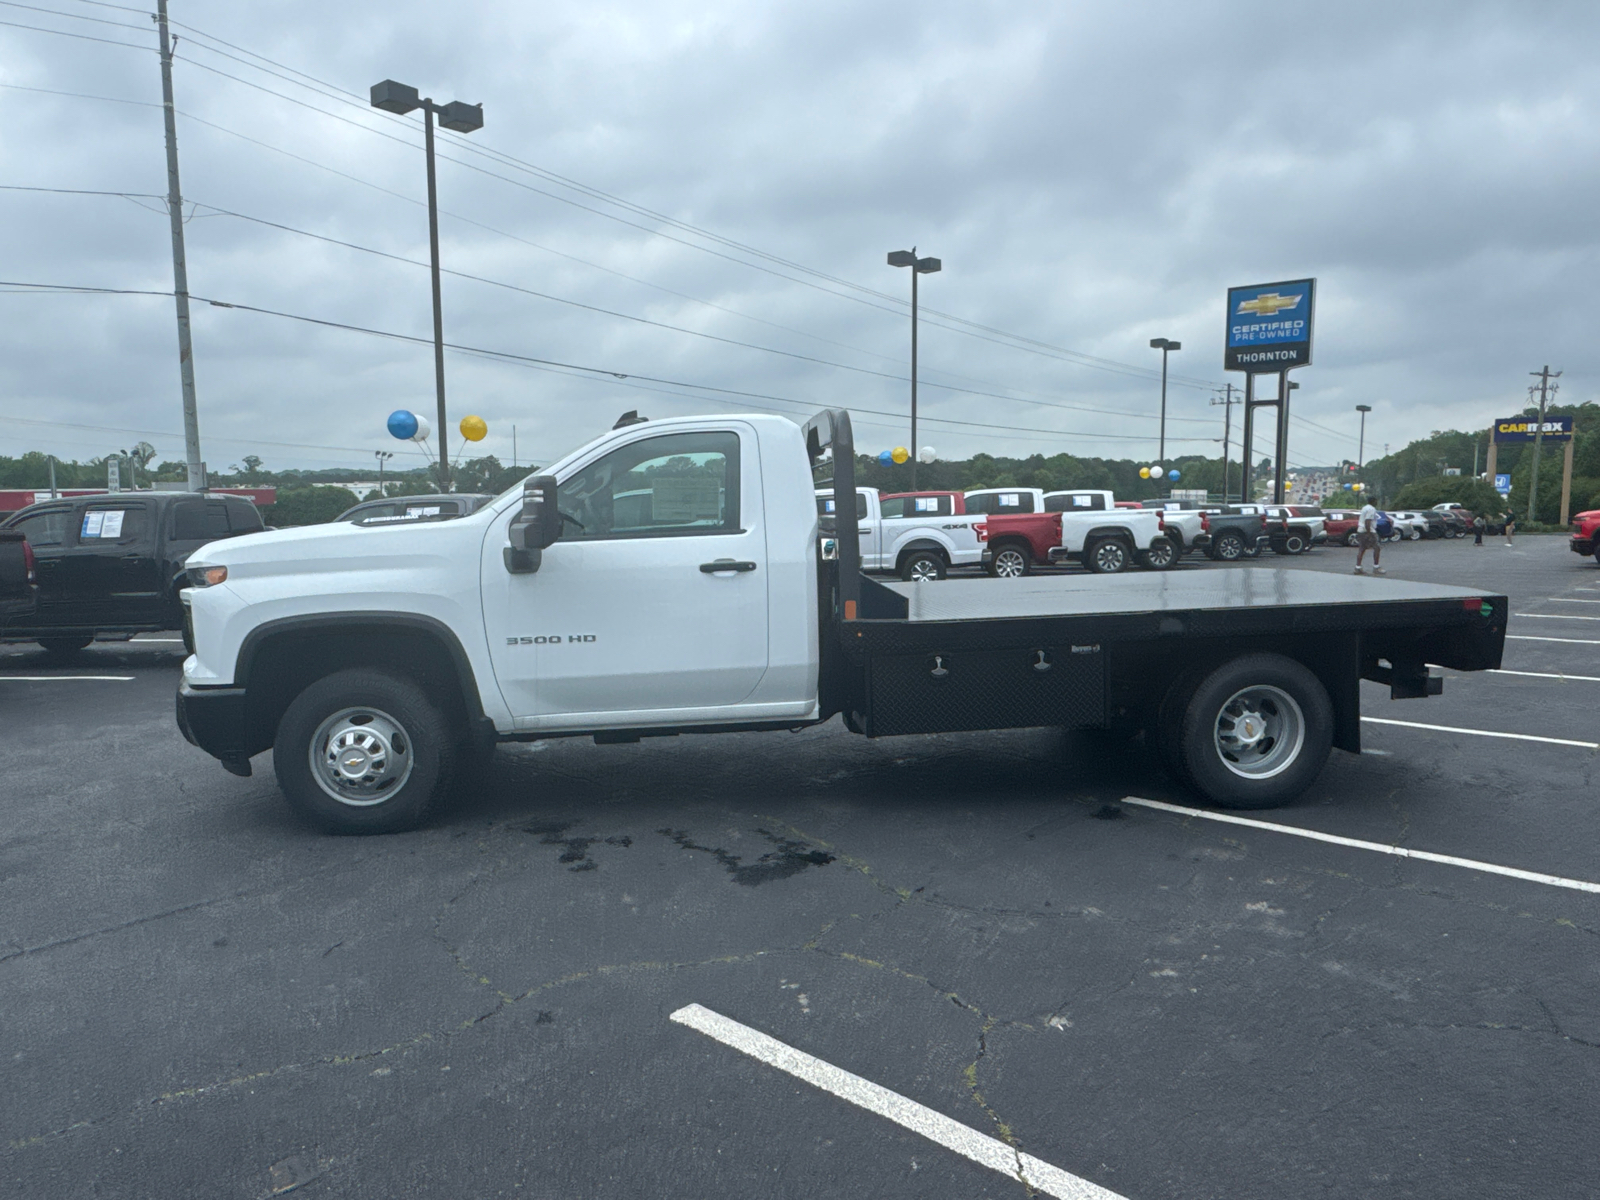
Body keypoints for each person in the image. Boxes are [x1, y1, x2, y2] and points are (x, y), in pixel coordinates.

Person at [1354, 500, 1385, 574]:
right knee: (1377, 548)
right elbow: (1367, 521)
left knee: (1362, 548)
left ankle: (1358, 567)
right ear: (1374, 502)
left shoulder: (1364, 508)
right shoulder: (1371, 509)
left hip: (1361, 530)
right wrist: (1369, 533)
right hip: (1369, 531)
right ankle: (1376, 567)